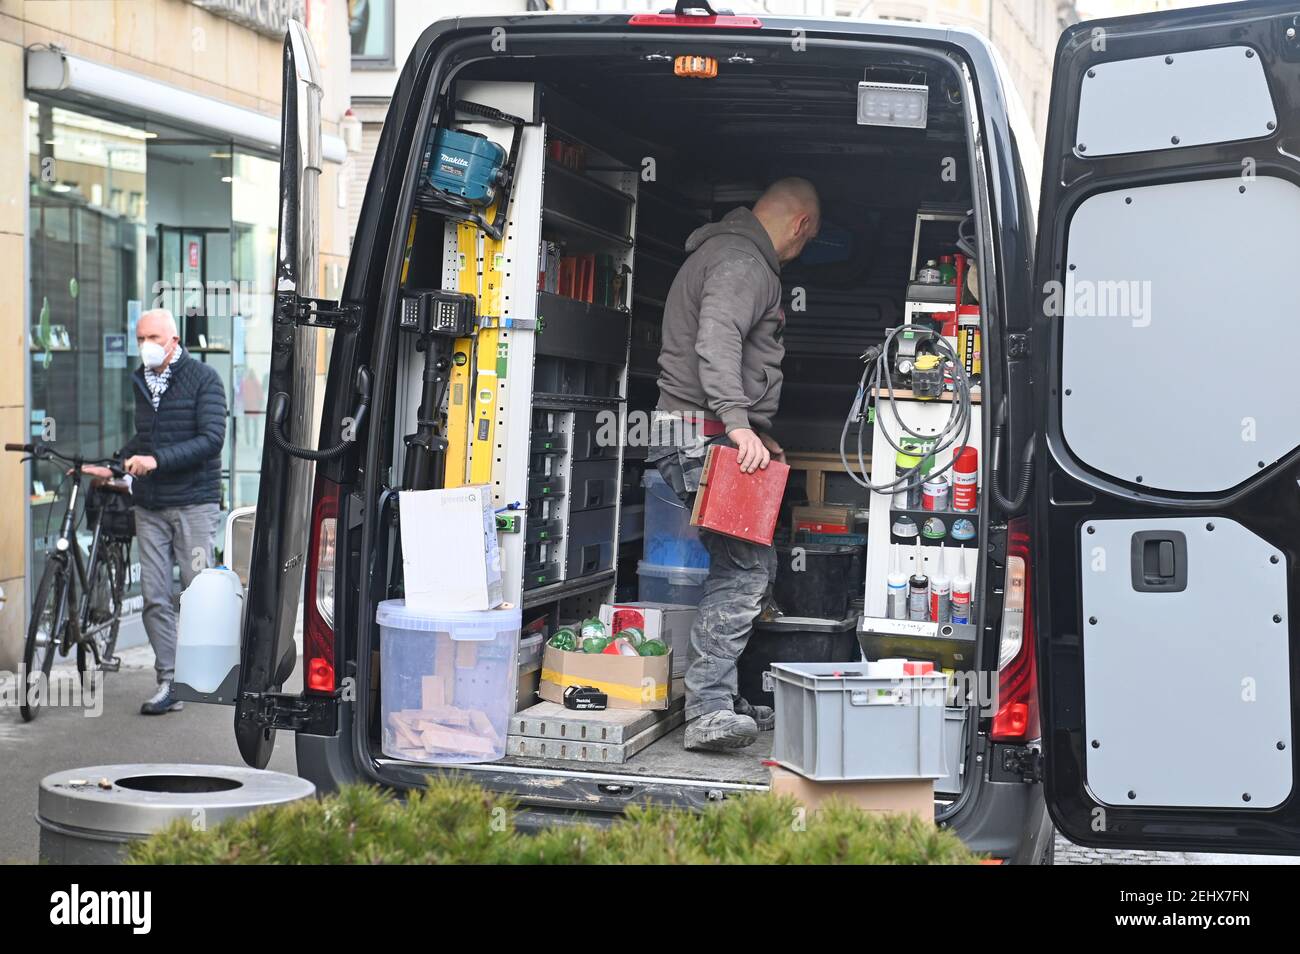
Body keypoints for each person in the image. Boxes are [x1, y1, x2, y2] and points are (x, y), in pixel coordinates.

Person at [648, 178, 820, 752]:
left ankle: (721, 695)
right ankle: (708, 710)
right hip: (705, 437)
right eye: (805, 242)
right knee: (743, 572)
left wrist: (753, 433)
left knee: (748, 568)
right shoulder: (743, 263)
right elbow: (716, 337)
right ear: (800, 227)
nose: (797, 255)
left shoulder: (723, 251)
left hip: (702, 433)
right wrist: (738, 422)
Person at [88, 308, 227, 714]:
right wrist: (115, 462)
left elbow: (211, 439)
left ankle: (211, 671)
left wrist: (157, 461)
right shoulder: (141, 381)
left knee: (197, 592)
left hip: (194, 503)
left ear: (174, 341)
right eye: (140, 339)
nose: (146, 345)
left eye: (153, 337)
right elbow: (146, 437)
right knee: (153, 597)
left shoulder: (204, 379)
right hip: (149, 505)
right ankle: (170, 681)